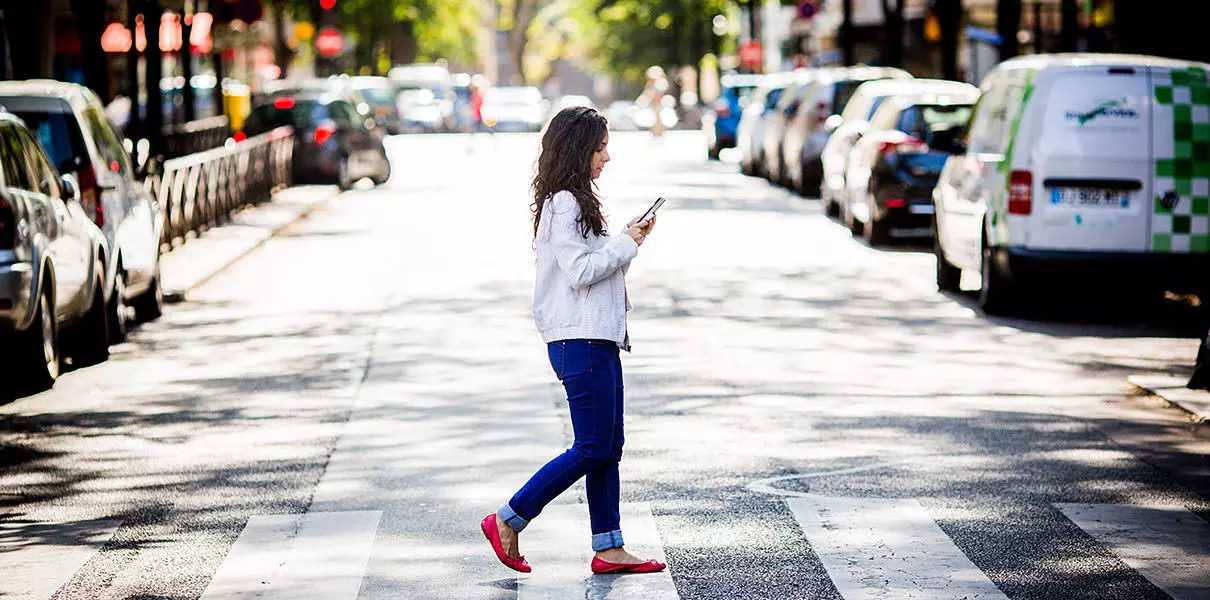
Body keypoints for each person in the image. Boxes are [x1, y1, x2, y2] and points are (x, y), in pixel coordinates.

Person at [481, 106, 664, 575]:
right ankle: (508, 518)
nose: (607, 156)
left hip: (596, 337)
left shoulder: (576, 201)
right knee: (591, 446)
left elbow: (591, 264)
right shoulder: (563, 201)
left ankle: (608, 546)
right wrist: (627, 245)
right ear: (579, 148)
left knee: (608, 446)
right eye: (601, 147)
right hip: (577, 340)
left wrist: (625, 238)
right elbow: (580, 272)